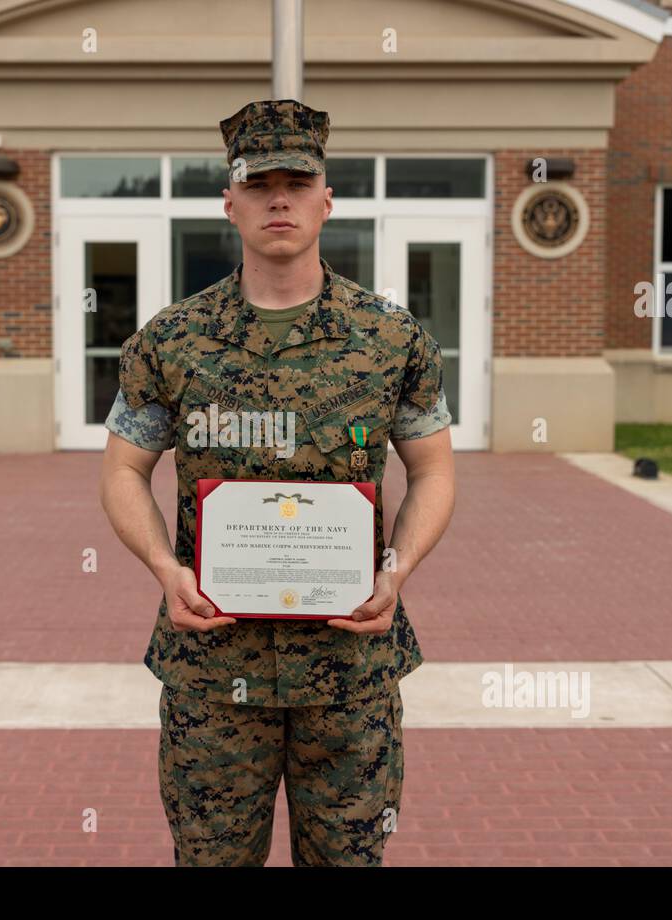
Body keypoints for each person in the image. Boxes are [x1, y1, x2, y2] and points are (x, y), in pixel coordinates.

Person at [98, 98, 456, 866]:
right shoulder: (169, 340)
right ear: (230, 202)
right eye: (260, 184)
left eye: (299, 181)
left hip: (350, 672)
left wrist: (398, 568)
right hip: (214, 671)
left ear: (328, 199)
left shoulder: (393, 339)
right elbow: (125, 469)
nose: (280, 198)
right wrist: (165, 569)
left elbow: (432, 469)